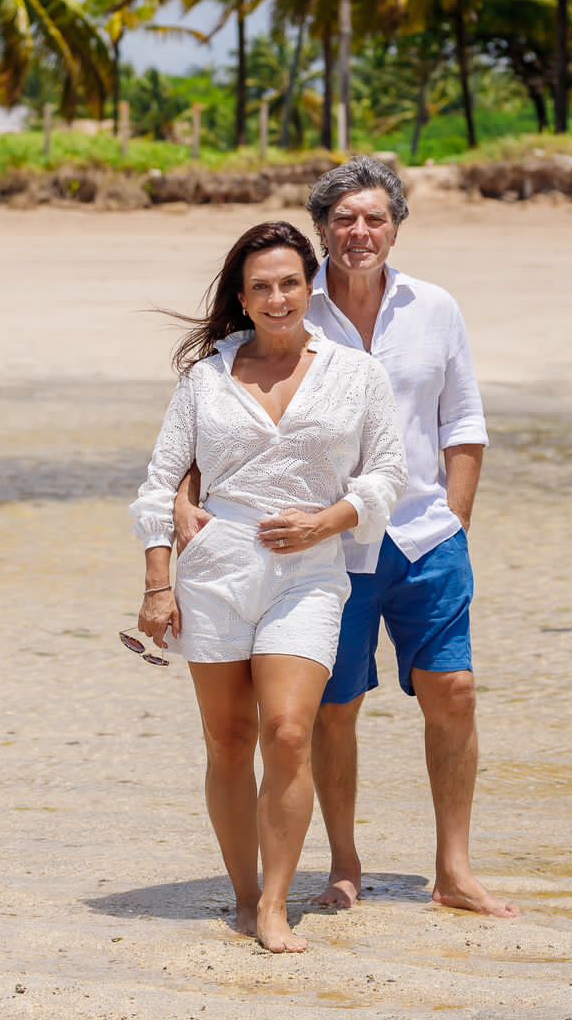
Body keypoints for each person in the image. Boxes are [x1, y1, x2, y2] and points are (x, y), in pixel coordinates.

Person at [176, 157, 517, 920]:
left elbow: (463, 423)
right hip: (326, 549)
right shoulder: (287, 298)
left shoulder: (436, 309)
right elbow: (214, 422)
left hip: (426, 536)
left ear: (396, 225)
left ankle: (455, 869)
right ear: (323, 228)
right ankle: (344, 863)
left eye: (375, 218)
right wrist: (181, 508)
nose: (360, 233)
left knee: (454, 693)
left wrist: (455, 520)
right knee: (334, 709)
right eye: (344, 220)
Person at [129, 220, 406, 954]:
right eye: (261, 287)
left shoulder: (357, 374)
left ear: (310, 288)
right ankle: (245, 897)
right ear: (243, 298)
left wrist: (331, 521)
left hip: (309, 576)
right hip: (215, 572)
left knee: (288, 731)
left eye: (289, 283)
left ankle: (279, 904)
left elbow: (386, 475)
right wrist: (159, 584)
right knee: (228, 740)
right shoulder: (206, 378)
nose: (277, 297)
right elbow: (160, 487)